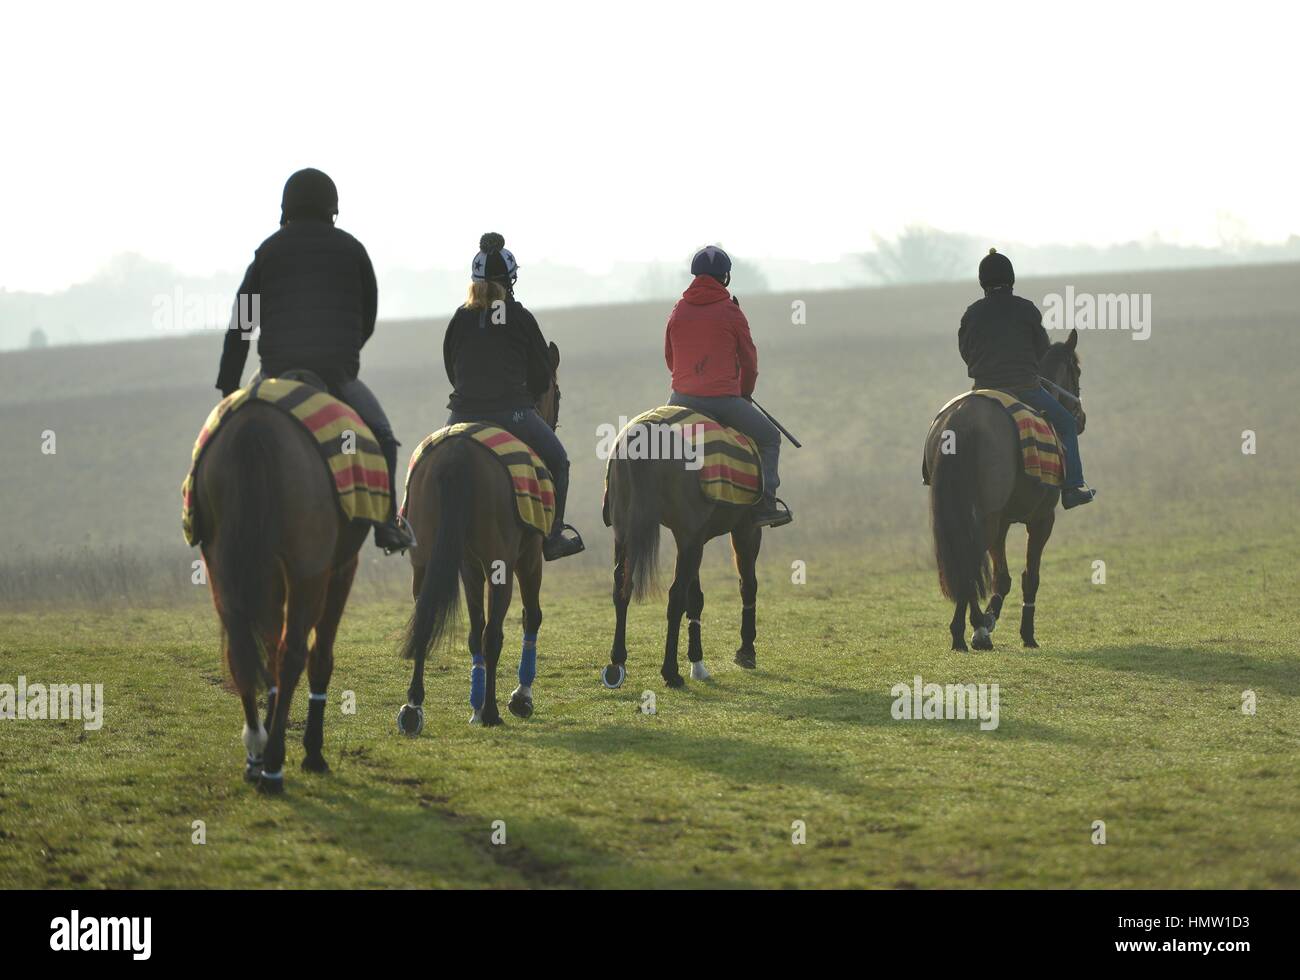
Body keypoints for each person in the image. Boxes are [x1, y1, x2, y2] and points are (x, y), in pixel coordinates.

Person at [215, 167, 417, 552]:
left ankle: (210, 519)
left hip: (274, 375)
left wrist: (229, 388)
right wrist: (343, 357)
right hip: (335, 376)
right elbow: (367, 317)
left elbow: (240, 325)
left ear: (286, 208)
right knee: (384, 437)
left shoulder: (267, 252)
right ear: (332, 209)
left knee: (227, 435)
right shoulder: (352, 250)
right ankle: (385, 525)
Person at [442, 233, 584, 561]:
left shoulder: (460, 319)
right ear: (510, 280)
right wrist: (523, 397)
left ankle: (409, 522)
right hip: (513, 414)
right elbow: (540, 374)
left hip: (463, 414)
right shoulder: (519, 316)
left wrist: (470, 395)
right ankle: (552, 536)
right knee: (559, 462)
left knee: (427, 457)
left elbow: (451, 367)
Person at [958, 248, 1096, 509]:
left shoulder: (971, 313)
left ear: (982, 282)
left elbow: (965, 350)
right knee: (1066, 423)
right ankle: (1072, 487)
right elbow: (1042, 349)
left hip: (983, 391)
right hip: (1024, 388)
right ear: (1010, 279)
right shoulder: (1026, 309)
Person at [664, 246, 790, 527]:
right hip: (723, 400)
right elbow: (750, 361)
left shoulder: (678, 310)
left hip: (681, 399)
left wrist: (687, 383)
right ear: (726, 277)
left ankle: (613, 504)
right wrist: (744, 393)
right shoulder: (731, 311)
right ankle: (766, 505)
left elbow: (670, 358)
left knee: (652, 442)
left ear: (694, 276)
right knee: (770, 439)